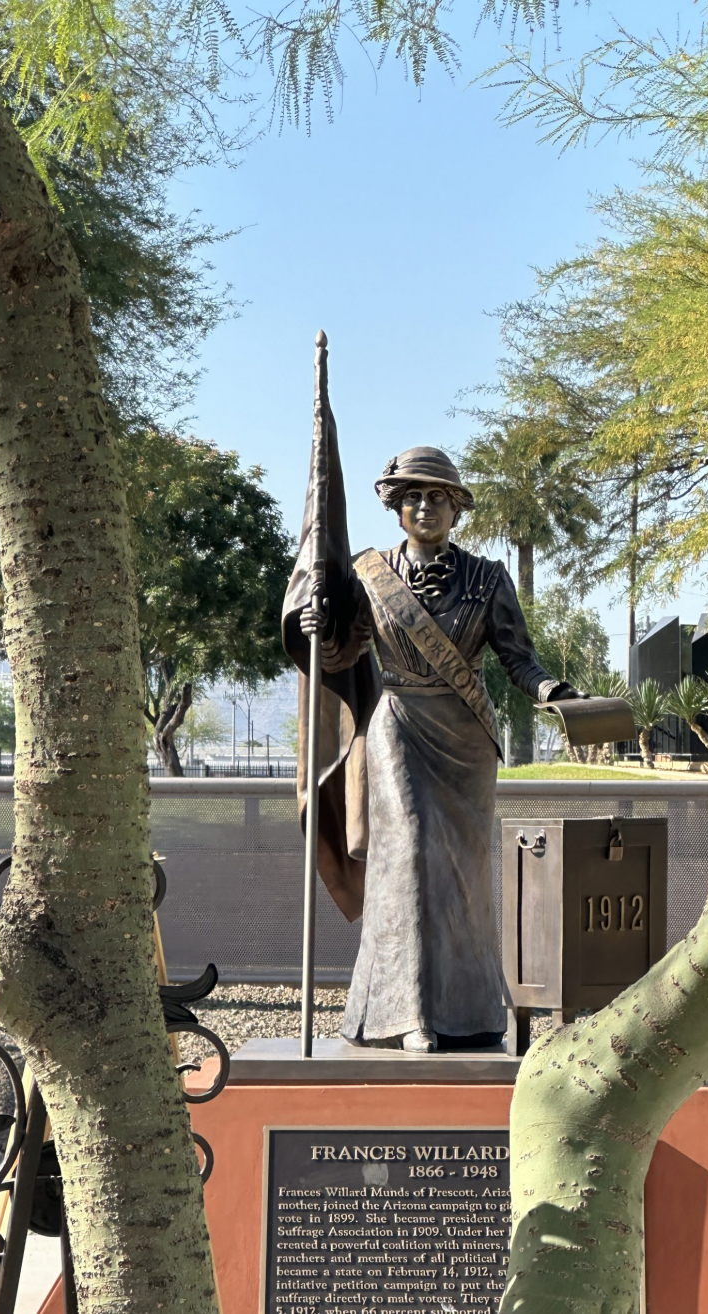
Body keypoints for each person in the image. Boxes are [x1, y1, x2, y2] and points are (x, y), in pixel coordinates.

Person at [285, 446, 582, 1053]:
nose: (425, 507)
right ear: (396, 508)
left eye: (438, 497)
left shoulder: (489, 578)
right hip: (396, 723)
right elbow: (340, 656)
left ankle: (470, 1015)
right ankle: (408, 1013)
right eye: (414, 497)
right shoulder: (368, 575)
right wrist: (315, 629)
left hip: (467, 739)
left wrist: (549, 689)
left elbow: (517, 658)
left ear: (456, 508)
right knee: (411, 854)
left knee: (464, 879)